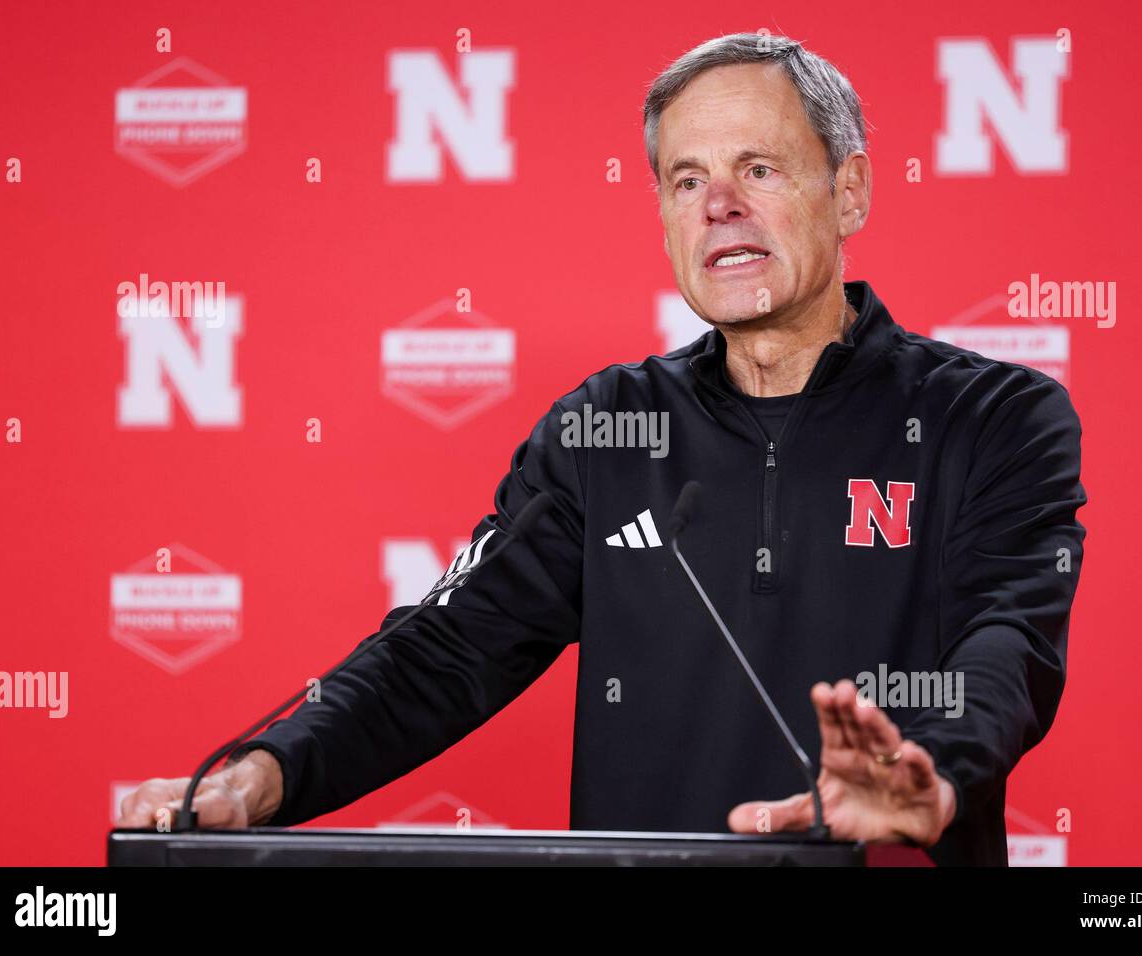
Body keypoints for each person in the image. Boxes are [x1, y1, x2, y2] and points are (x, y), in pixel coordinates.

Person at [118, 32, 1086, 866]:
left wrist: (937, 772)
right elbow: (448, 647)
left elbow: (1009, 644)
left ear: (851, 189)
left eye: (758, 168)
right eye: (687, 179)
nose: (718, 205)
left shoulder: (994, 416)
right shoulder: (605, 427)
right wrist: (268, 769)